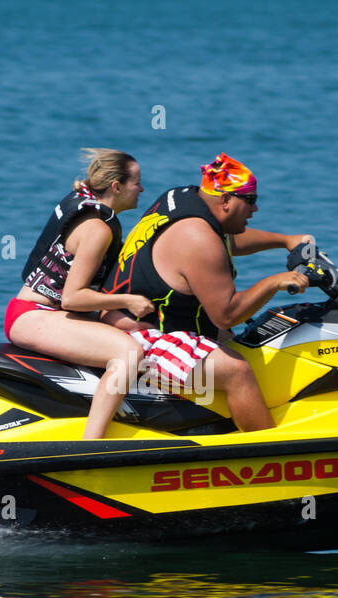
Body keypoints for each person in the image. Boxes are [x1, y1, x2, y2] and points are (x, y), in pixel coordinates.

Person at [103, 153, 311, 431]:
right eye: (250, 200)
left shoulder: (184, 199)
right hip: (139, 333)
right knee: (236, 370)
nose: (255, 208)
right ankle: (269, 449)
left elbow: (226, 238)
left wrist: (285, 241)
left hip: (127, 317)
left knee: (244, 342)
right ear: (225, 200)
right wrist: (273, 282)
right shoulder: (198, 238)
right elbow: (227, 314)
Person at [5, 149, 156, 439]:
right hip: (34, 315)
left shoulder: (91, 211)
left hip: (44, 313)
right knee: (128, 353)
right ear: (117, 187)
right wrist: (128, 300)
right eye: (137, 182)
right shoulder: (97, 228)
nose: (142, 189)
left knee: (139, 329)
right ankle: (92, 443)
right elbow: (73, 298)